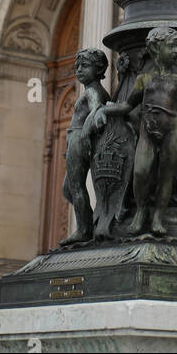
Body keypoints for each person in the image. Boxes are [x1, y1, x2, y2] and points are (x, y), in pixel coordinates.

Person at [95, 25, 177, 237]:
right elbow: (128, 105)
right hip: (148, 129)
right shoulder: (143, 80)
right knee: (141, 171)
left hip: (173, 129)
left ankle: (157, 218)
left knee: (166, 174)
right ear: (157, 49)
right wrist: (104, 110)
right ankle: (141, 212)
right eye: (172, 47)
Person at [59, 48, 111, 246]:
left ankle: (83, 230)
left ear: (98, 70)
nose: (79, 70)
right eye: (77, 66)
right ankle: (87, 225)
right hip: (76, 139)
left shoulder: (92, 91)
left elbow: (98, 108)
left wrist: (85, 133)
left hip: (79, 138)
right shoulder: (93, 90)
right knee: (68, 189)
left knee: (75, 186)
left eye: (85, 66)